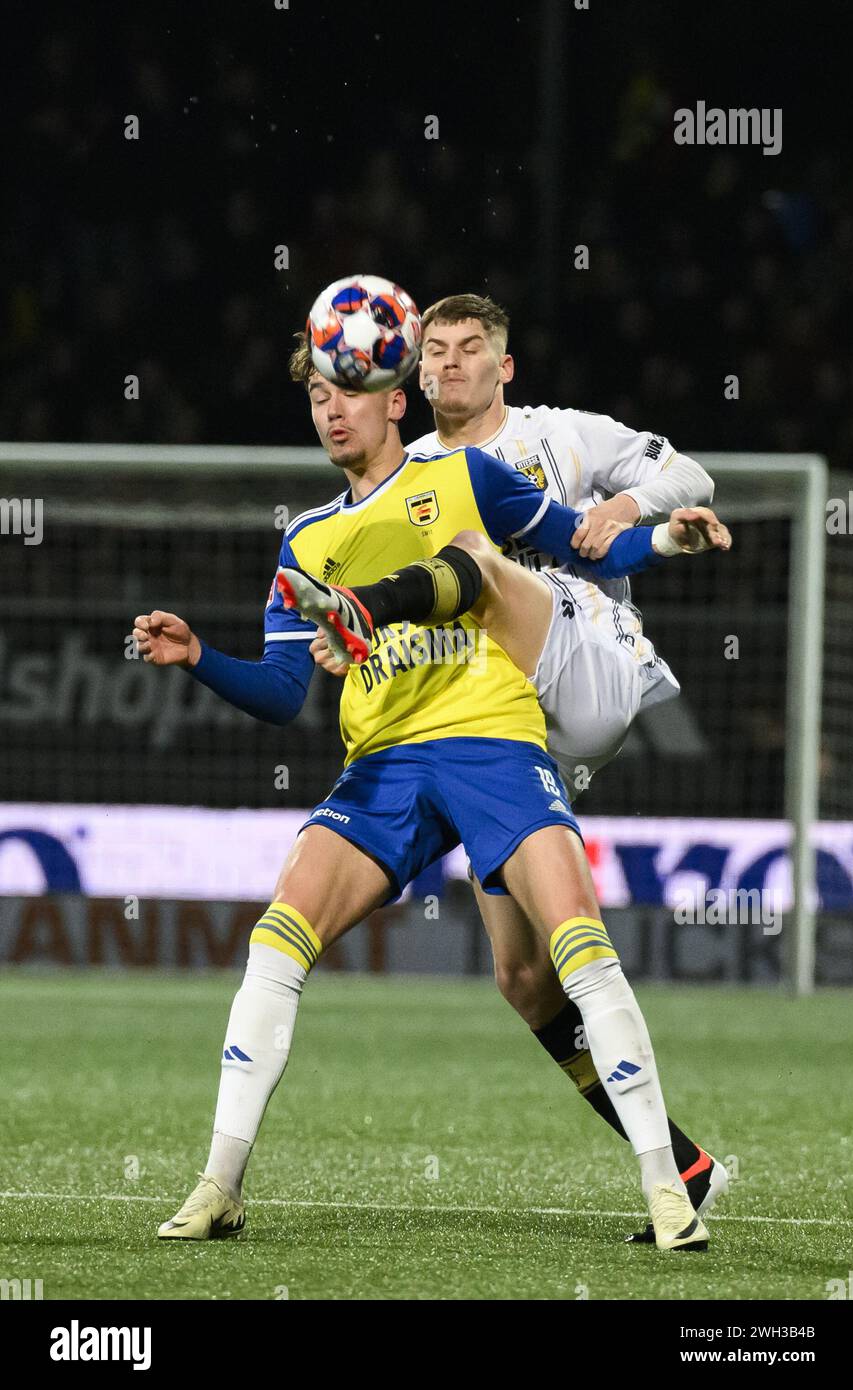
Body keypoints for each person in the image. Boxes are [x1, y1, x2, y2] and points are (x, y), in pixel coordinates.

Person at [134, 342, 723, 1249]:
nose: (334, 412)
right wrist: (199, 658)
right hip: (385, 766)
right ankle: (219, 1186)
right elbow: (286, 693)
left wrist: (670, 536)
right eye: (319, 399)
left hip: (491, 742)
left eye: (352, 393)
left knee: (576, 954)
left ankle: (667, 1192)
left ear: (395, 400)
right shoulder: (306, 540)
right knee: (284, 941)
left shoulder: (469, 475)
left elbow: (582, 540)